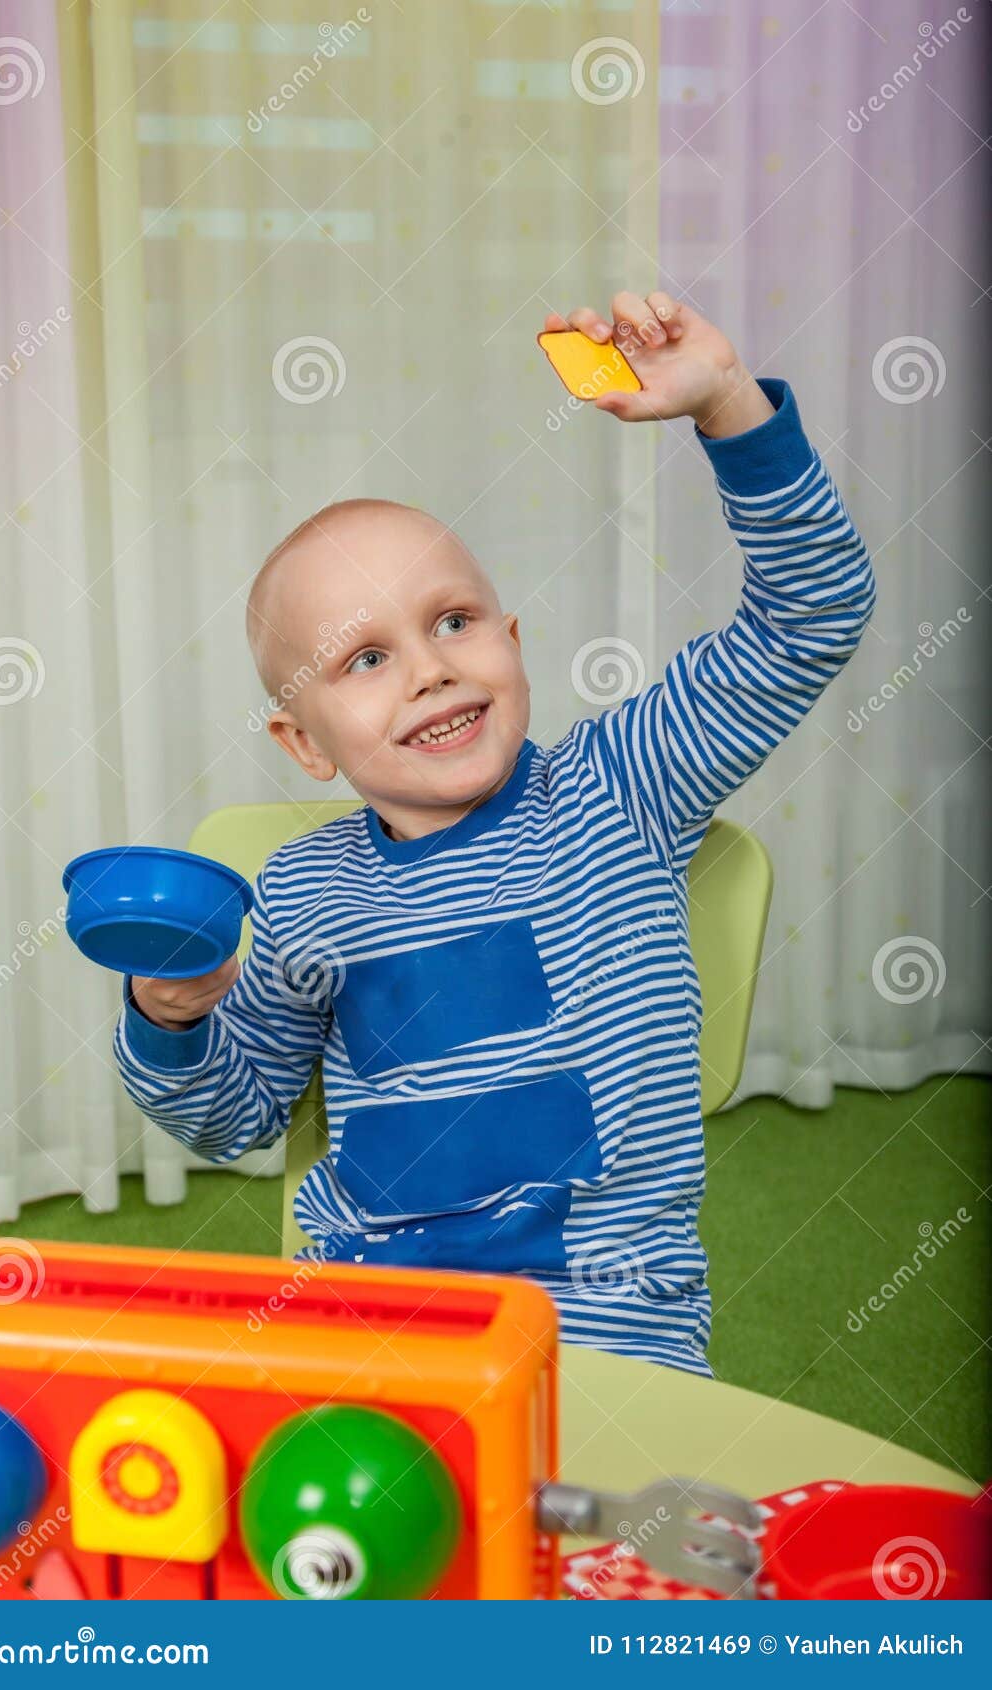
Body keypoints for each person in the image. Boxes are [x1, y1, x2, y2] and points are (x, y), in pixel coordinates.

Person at [113, 289, 876, 1378]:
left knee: (609, 1543)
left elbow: (814, 611)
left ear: (511, 642)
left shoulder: (626, 782)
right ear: (304, 741)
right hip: (376, 1322)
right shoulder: (299, 890)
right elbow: (232, 1115)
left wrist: (723, 403)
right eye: (363, 658)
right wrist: (171, 1013)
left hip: (609, 1321)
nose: (429, 667)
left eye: (452, 621)